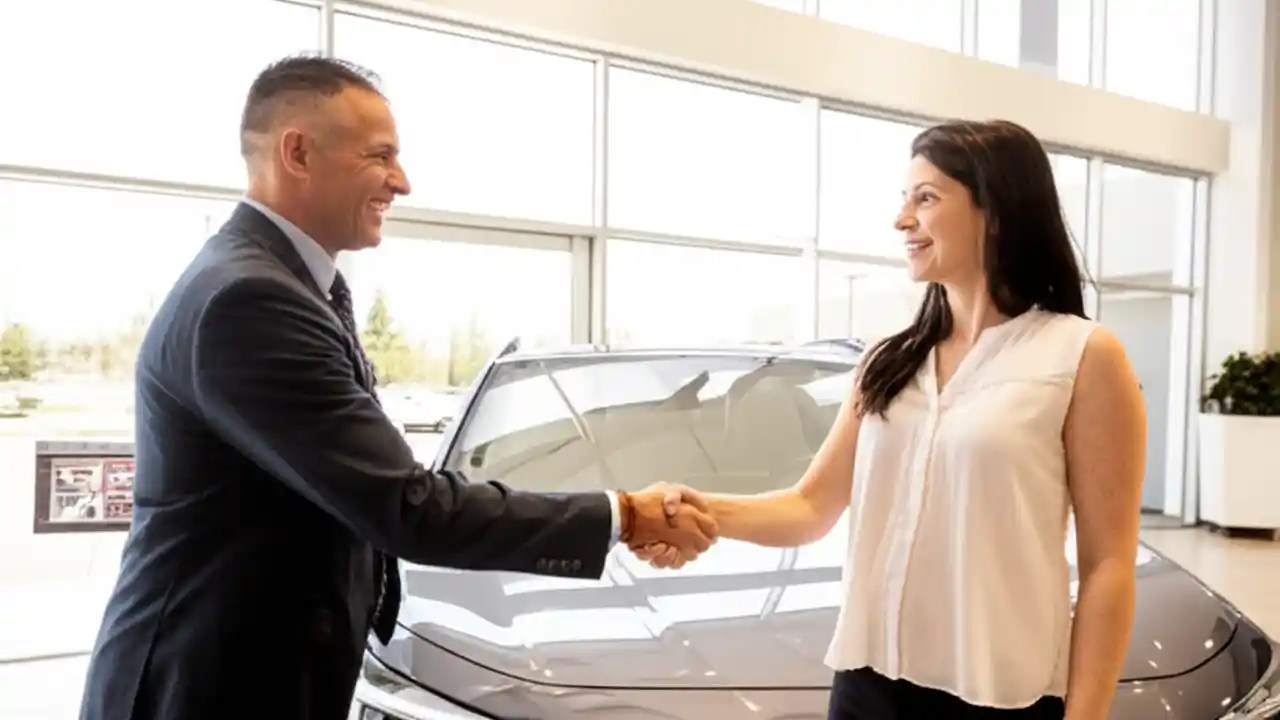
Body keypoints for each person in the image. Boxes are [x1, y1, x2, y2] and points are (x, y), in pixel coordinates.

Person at [78, 55, 716, 720]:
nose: (401, 182)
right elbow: (401, 506)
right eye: (379, 157)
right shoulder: (249, 300)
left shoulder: (291, 284)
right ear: (297, 152)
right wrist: (626, 514)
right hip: (209, 685)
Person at [636, 120, 1147, 719]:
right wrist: (697, 510)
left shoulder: (1080, 355)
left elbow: (1108, 564)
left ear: (998, 210)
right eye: (904, 200)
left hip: (1002, 694)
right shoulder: (888, 359)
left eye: (925, 198)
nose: (902, 219)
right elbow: (809, 507)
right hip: (868, 684)